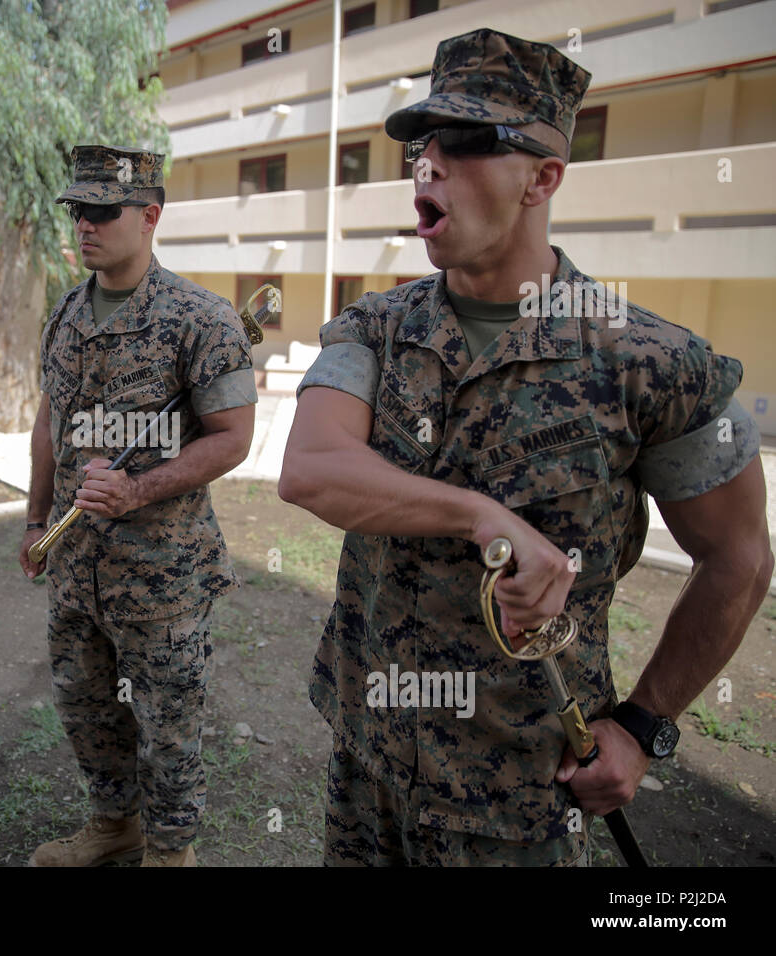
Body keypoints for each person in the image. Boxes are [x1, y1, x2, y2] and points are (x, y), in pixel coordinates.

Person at [279, 29, 771, 865]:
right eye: (421, 144)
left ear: (543, 177)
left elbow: (738, 557)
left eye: (468, 142)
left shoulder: (653, 363)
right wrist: (479, 514)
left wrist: (644, 726)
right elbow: (311, 470)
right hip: (369, 761)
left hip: (521, 795)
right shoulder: (375, 327)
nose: (429, 163)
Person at [18, 145, 257, 866]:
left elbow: (234, 438)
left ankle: (170, 850)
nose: (84, 225)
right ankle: (113, 824)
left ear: (150, 216)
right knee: (88, 707)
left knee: (167, 721)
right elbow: (47, 425)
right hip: (75, 568)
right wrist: (34, 522)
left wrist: (138, 490)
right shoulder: (63, 313)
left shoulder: (201, 320)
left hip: (162, 574)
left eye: (101, 210)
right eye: (76, 211)